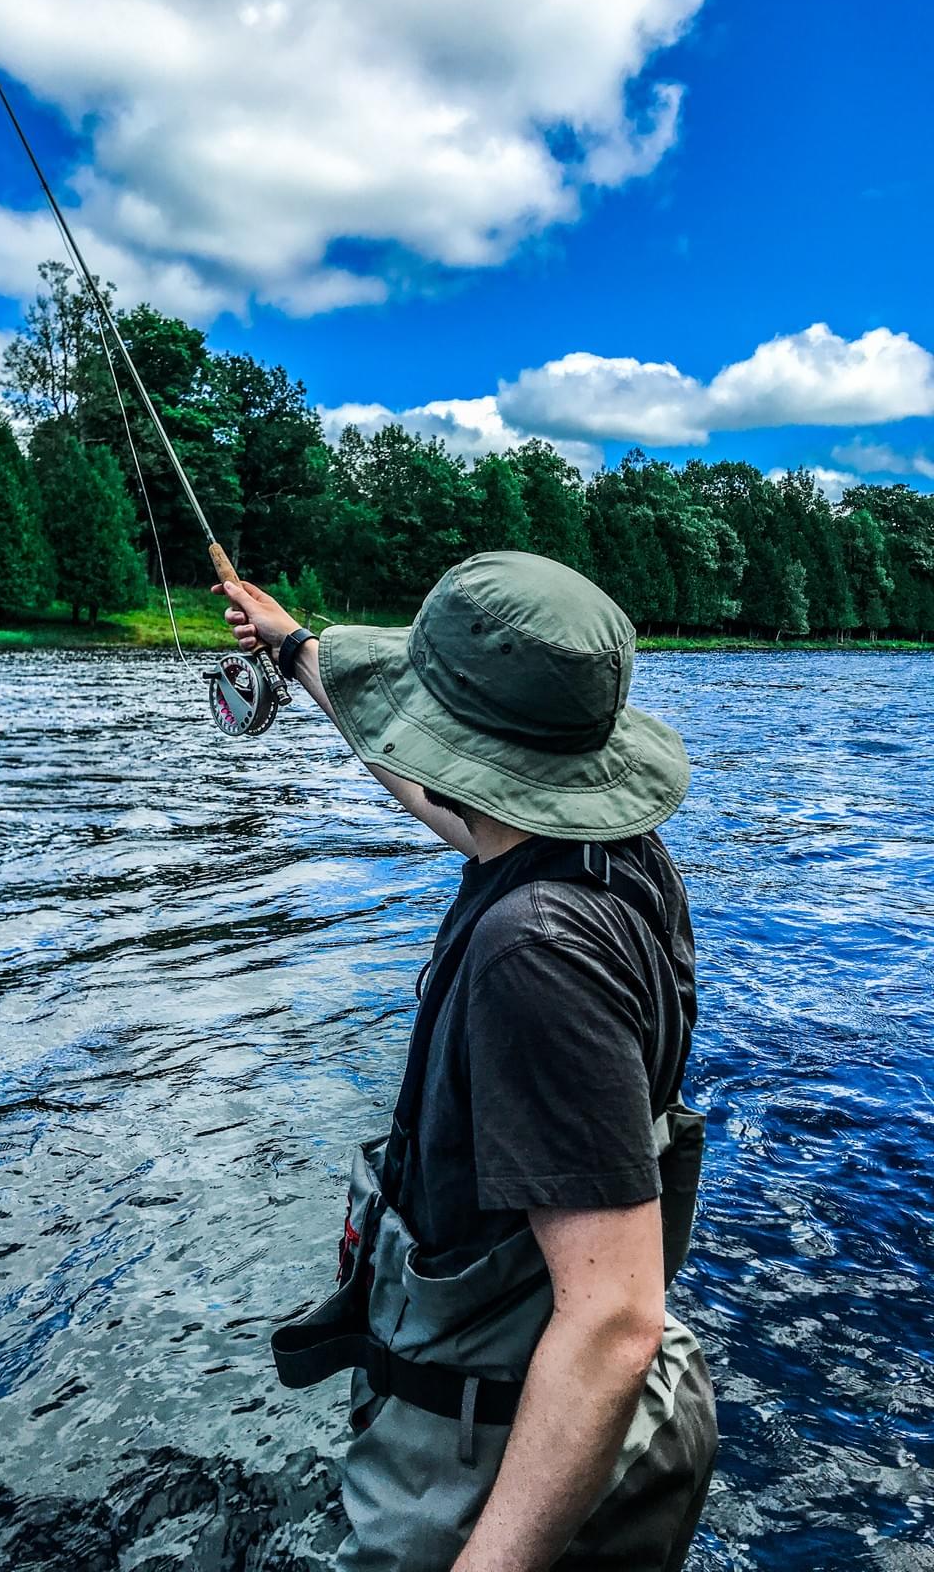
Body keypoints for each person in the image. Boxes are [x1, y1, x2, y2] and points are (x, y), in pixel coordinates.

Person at [214, 551, 718, 1572]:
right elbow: (443, 797)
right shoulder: (603, 848)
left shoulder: (531, 949)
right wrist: (301, 649)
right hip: (617, 1422)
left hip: (514, 1446)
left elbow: (613, 1321)